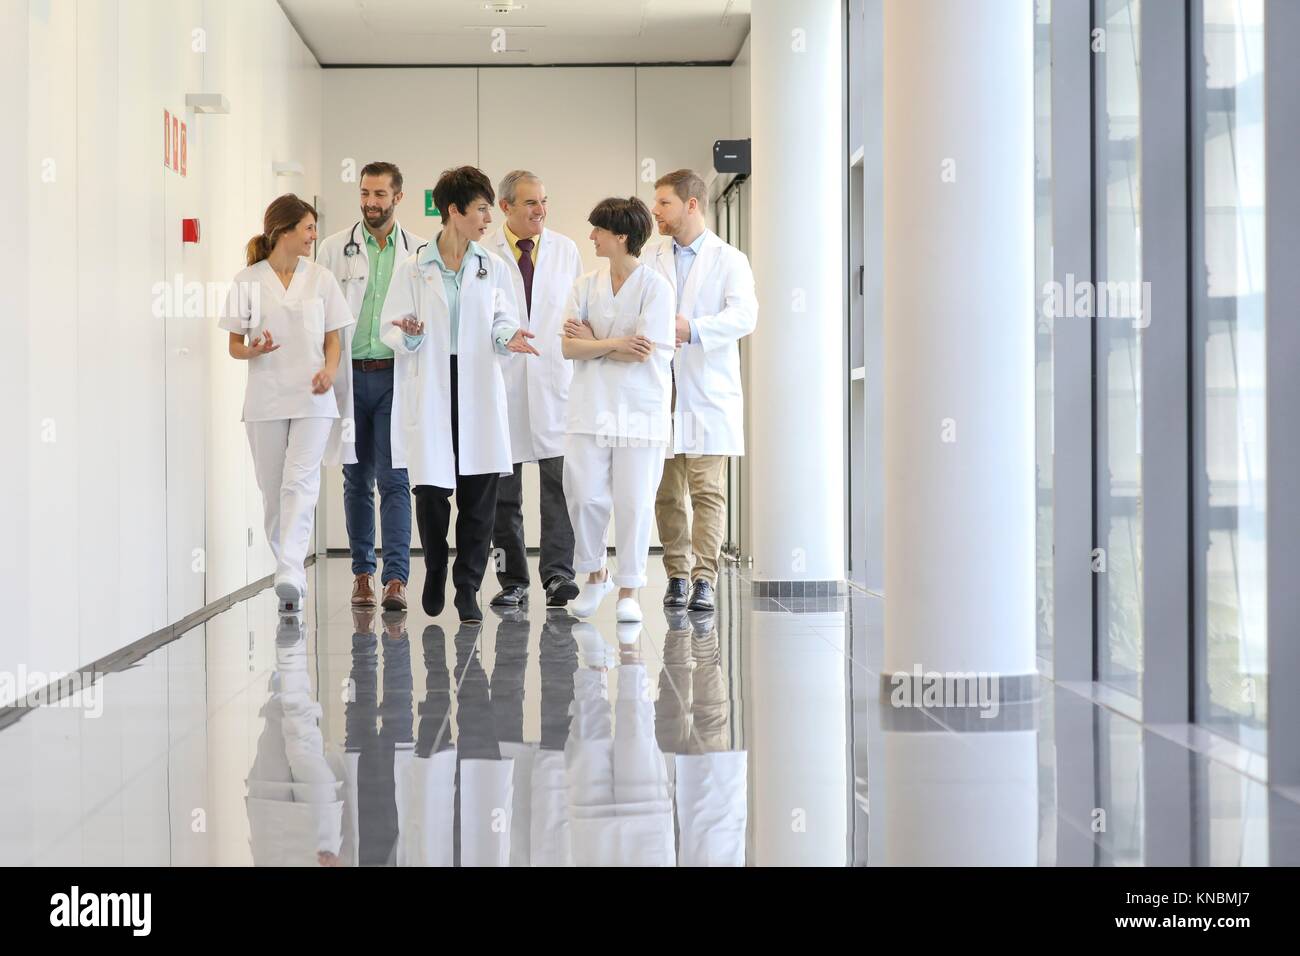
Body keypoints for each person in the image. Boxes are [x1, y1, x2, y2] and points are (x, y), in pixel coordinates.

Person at [380, 166, 539, 624]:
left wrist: (508, 337)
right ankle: (434, 568)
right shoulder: (414, 267)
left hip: (476, 386)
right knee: (431, 493)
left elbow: (502, 319)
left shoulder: (492, 267)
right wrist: (407, 333)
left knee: (480, 493)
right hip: (431, 384)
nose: (489, 219)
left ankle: (467, 585)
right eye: (482, 209)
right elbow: (392, 326)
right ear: (455, 211)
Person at [220, 194, 353, 612]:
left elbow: (334, 338)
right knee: (273, 489)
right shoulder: (247, 280)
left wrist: (330, 371)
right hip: (266, 398)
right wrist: (255, 350)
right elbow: (234, 348)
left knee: (301, 481)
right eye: (308, 228)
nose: (314, 235)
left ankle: (291, 569)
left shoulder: (322, 279)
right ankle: (288, 568)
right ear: (284, 231)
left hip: (314, 397)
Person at [643, 169, 758, 612]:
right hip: (660, 388)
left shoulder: (730, 259)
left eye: (664, 204)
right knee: (667, 490)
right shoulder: (652, 255)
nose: (656, 211)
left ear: (691, 205)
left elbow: (745, 316)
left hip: (708, 389)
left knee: (707, 488)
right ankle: (676, 575)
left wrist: (693, 329)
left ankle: (704, 578)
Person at [562, 197, 674, 623]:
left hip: (638, 413)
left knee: (634, 501)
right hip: (590, 410)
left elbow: (643, 353)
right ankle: (595, 576)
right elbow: (568, 346)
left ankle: (629, 588)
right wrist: (612, 344)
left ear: (621, 236)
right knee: (584, 495)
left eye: (598, 230)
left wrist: (595, 343)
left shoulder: (655, 288)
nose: (591, 236)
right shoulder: (584, 286)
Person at [318, 162, 425, 612]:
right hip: (349, 377)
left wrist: (416, 332)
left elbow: (425, 323)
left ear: (398, 197)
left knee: (395, 477)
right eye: (365, 193)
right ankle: (363, 573)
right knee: (355, 477)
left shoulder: (419, 251)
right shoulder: (331, 248)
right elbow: (318, 315)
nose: (370, 203)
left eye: (380, 194)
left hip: (394, 377)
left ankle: (396, 580)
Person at [485, 170, 584, 610]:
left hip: (553, 381)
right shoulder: (483, 254)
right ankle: (512, 581)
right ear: (505, 207)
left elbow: (577, 313)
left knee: (558, 486)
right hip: (502, 381)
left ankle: (559, 575)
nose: (540, 210)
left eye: (544, 201)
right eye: (530, 203)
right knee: (503, 493)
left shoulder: (566, 250)